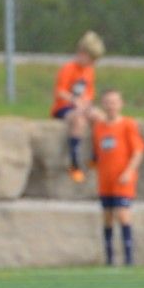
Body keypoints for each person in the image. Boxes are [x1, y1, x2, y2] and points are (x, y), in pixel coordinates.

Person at [91, 90, 144, 266]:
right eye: (107, 102)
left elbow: (138, 151)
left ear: (121, 104)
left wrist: (129, 172)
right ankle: (109, 259)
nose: (111, 106)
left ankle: (128, 258)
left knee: (123, 214)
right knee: (107, 216)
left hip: (123, 179)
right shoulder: (99, 127)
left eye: (114, 102)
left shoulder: (128, 124)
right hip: (105, 179)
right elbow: (98, 152)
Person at [52, 31, 105, 183]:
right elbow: (60, 92)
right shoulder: (68, 68)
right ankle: (74, 163)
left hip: (81, 106)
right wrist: (74, 100)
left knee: (99, 117)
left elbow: (89, 93)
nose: (92, 64)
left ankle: (96, 156)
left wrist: (86, 103)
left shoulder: (89, 71)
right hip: (64, 107)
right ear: (82, 54)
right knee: (79, 120)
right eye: (91, 59)